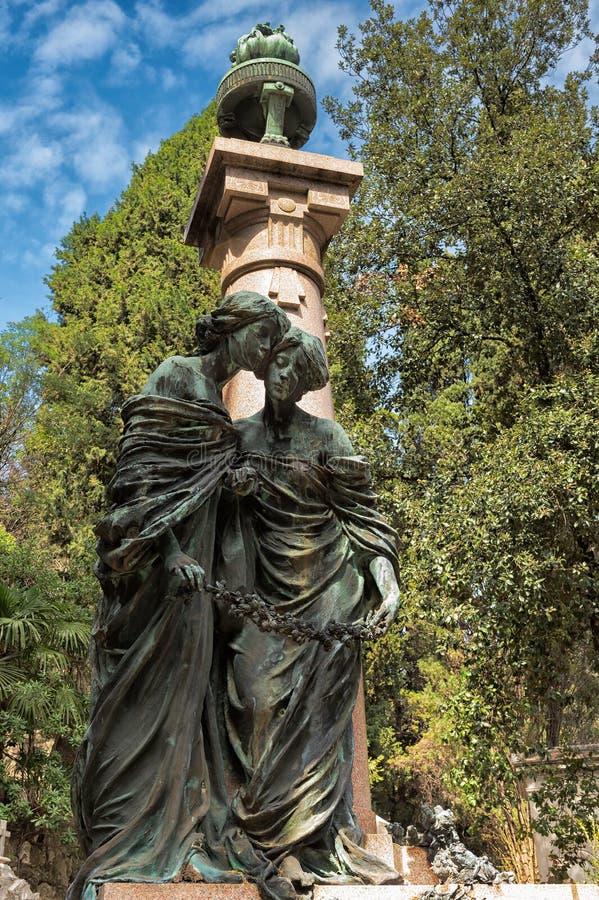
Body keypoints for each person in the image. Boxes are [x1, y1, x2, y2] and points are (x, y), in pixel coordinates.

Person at [67, 292, 290, 900]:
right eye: (263, 339)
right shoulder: (176, 373)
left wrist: (234, 484)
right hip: (158, 580)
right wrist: (169, 555)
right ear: (235, 330)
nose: (267, 354)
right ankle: (125, 843)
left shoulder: (218, 399)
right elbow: (138, 483)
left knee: (192, 708)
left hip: (197, 581)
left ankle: (179, 839)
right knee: (142, 703)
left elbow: (196, 483)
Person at [216, 327, 402, 898]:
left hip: (327, 592)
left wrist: (386, 582)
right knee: (256, 698)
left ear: (304, 382)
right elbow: (208, 514)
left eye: (292, 371)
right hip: (260, 591)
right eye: (274, 366)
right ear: (263, 370)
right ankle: (260, 833)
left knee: (316, 721)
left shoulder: (327, 435)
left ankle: (296, 845)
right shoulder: (238, 435)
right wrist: (235, 495)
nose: (280, 377)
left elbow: (363, 519)